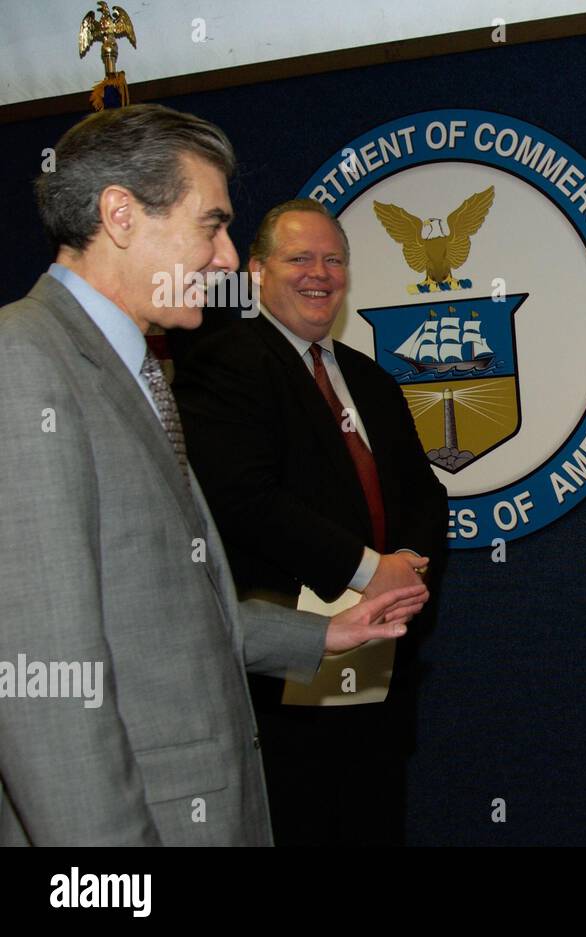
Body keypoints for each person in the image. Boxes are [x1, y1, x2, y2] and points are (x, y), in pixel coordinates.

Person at [0, 104, 427, 846]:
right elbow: (44, 689)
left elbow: (167, 609)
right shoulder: (24, 364)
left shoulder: (133, 368)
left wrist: (321, 635)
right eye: (212, 225)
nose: (228, 258)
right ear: (121, 214)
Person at [172, 199, 448, 846]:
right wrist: (370, 571)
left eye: (334, 259)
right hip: (281, 686)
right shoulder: (226, 362)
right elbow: (243, 498)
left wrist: (408, 572)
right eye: (300, 258)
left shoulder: (373, 380)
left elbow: (425, 496)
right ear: (259, 270)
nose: (319, 272)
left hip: (380, 680)